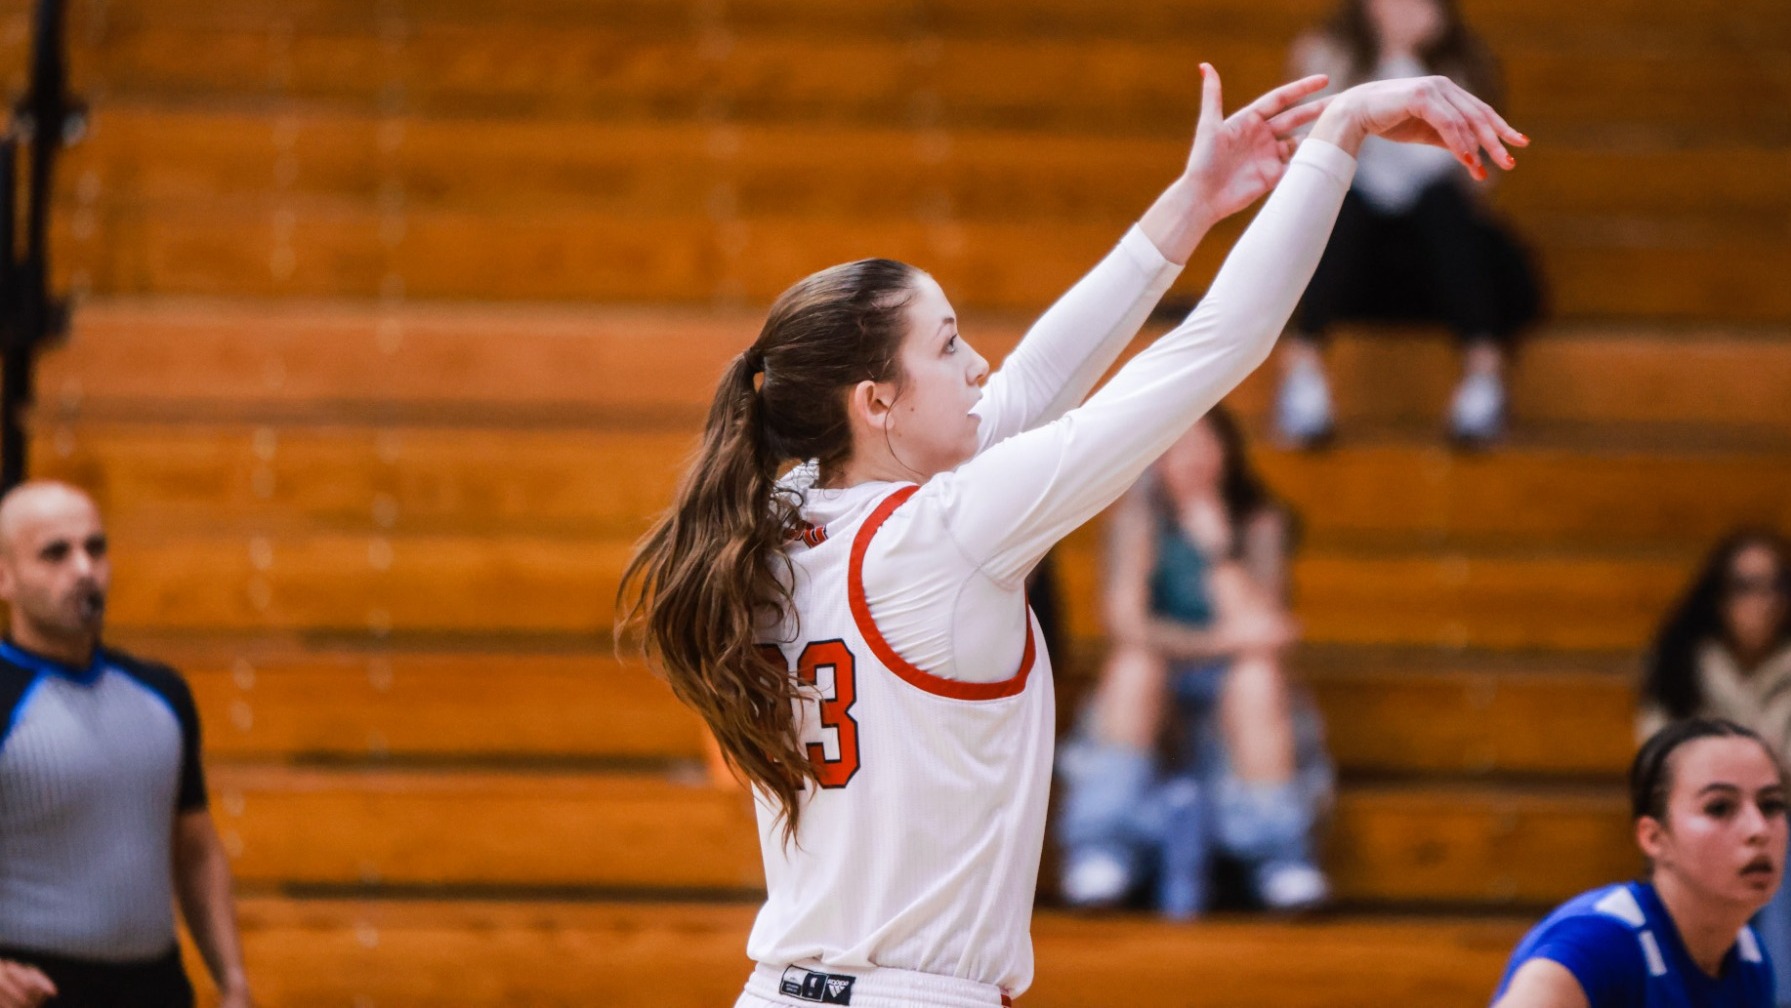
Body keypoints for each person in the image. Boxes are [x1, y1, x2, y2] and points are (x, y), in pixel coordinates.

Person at [622, 63, 1523, 1008]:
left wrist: (1193, 206)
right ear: (875, 402)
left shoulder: (777, 513)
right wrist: (1338, 137)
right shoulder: (943, 534)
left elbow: (1028, 389)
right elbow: (1218, 343)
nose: (978, 365)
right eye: (947, 344)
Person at [1055, 405, 1333, 918]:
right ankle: (1103, 848)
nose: (1192, 460)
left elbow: (1266, 628)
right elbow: (1127, 622)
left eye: (1204, 445)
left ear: (1227, 452)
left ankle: (1279, 856)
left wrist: (1218, 549)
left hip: (1237, 688)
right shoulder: (1138, 519)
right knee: (1134, 665)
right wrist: (1223, 641)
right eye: (1177, 447)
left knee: (1257, 676)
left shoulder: (1259, 521)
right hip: (1157, 681)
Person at [0, 482, 251, 1008]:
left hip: (153, 987)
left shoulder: (162, 695)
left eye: (95, 548)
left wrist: (232, 978)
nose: (84, 569)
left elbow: (196, 849)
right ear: (5, 576)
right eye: (55, 553)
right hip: (35, 990)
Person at [1276, 0, 1542, 448]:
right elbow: (1313, 154)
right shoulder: (1325, 54)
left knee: (1443, 202)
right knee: (1346, 201)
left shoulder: (1464, 61)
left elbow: (1476, 175)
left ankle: (1483, 375)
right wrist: (1389, 59)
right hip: (1352, 258)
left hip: (1434, 262)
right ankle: (1302, 370)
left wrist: (1410, 61)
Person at [1491, 718, 1784, 1008]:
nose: (1758, 829)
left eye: (1771, 805)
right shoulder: (1597, 944)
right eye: (1719, 807)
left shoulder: (1750, 958)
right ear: (1654, 837)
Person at [1639, 531, 1791, 1006]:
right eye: (1745, 586)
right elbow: (1656, 769)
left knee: (1775, 835)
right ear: (1718, 596)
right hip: (1699, 823)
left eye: (1776, 585)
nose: (1762, 602)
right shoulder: (1679, 666)